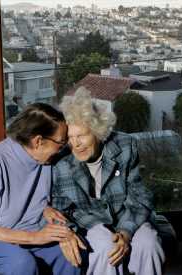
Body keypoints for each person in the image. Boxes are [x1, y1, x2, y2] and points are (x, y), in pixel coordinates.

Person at [0, 103, 85, 275]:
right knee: (21, 263)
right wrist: (36, 238)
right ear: (38, 141)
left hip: (25, 231)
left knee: (72, 253)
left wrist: (46, 209)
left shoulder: (44, 159)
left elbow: (29, 200)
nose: (63, 148)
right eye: (60, 143)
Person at [51, 88, 165, 275]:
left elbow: (140, 196)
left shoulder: (124, 146)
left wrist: (126, 233)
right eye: (70, 138)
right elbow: (60, 209)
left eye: (81, 136)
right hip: (88, 221)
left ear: (97, 131)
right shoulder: (60, 161)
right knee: (105, 247)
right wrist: (78, 230)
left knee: (149, 244)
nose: (75, 144)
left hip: (126, 214)